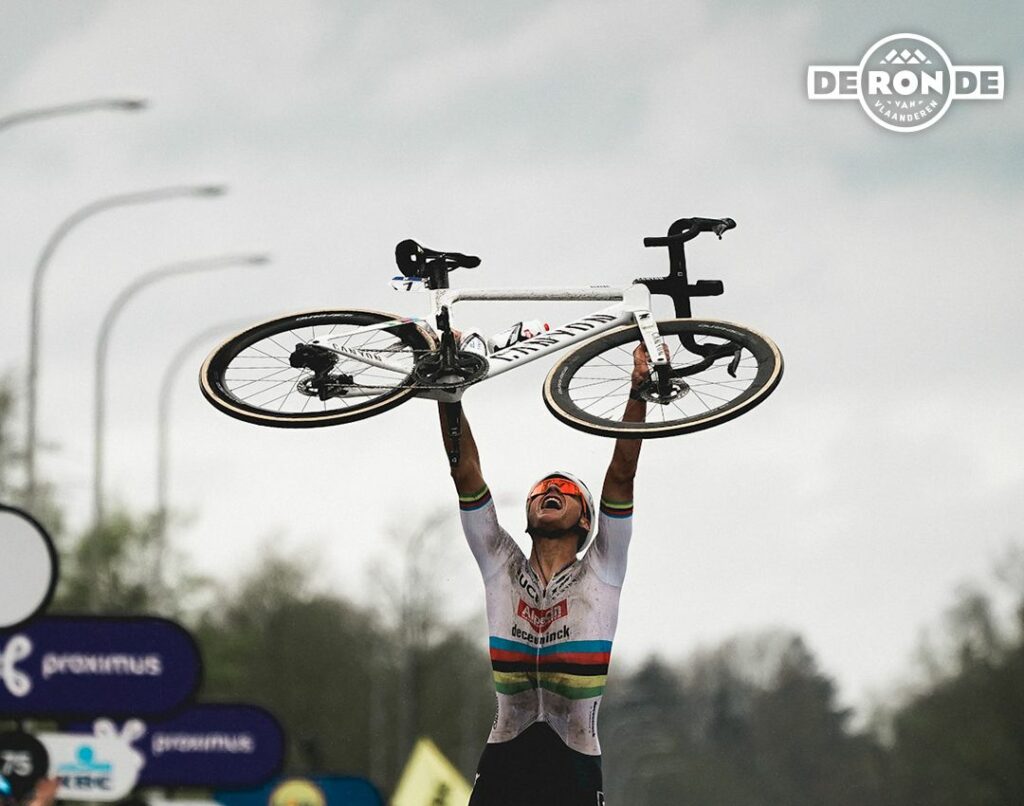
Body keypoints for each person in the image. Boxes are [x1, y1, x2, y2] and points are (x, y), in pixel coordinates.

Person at [439, 343, 653, 806]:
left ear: (586, 520)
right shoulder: (500, 562)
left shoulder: (603, 567)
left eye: (566, 489)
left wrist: (638, 392)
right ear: (529, 515)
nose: (551, 489)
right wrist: (448, 395)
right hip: (506, 754)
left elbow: (621, 475)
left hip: (572, 760)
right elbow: (465, 474)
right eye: (540, 490)